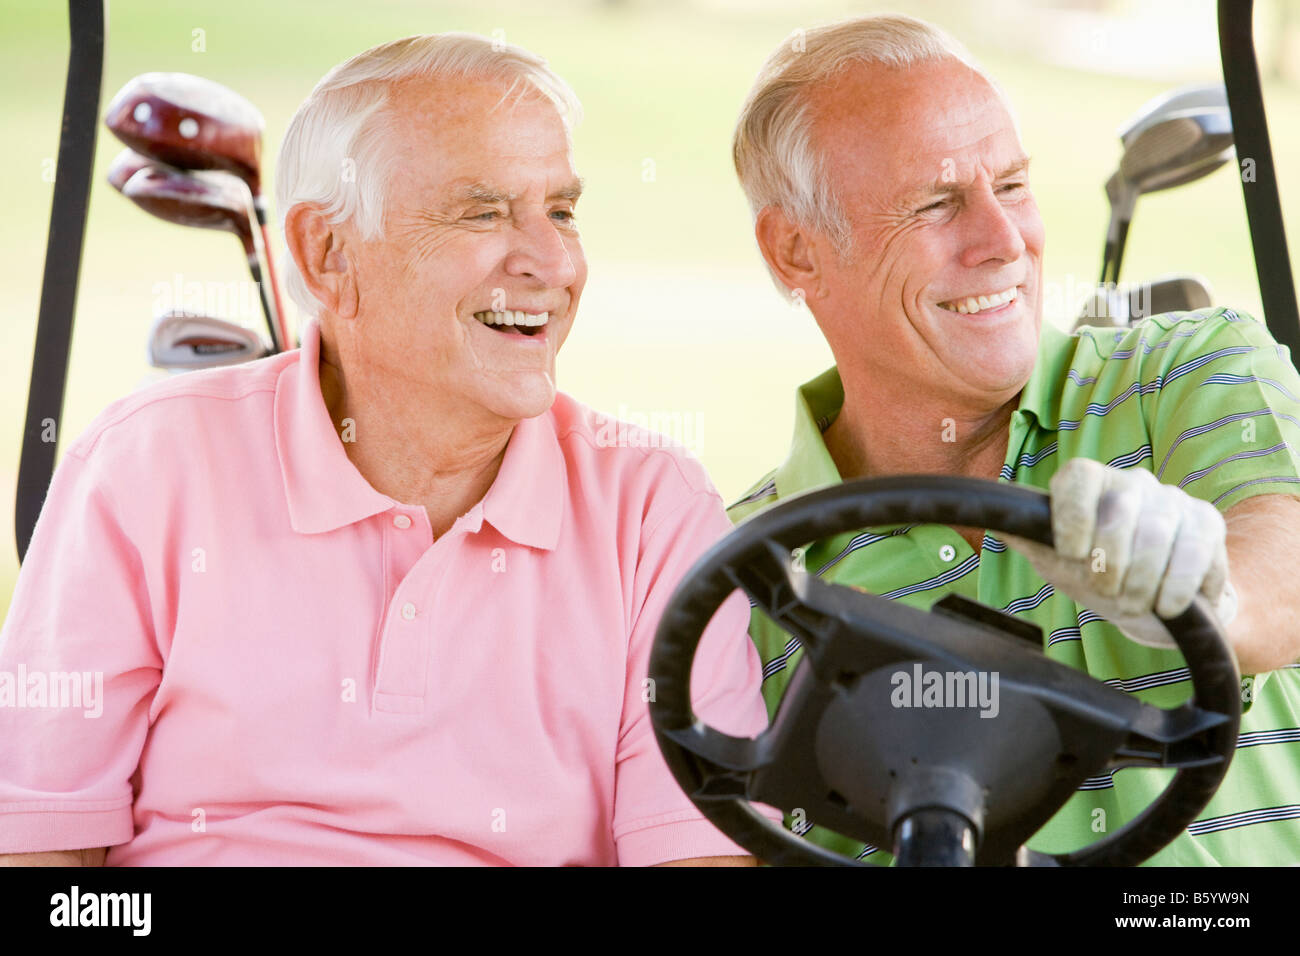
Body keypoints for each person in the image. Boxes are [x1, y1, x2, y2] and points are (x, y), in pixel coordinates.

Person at [0, 32, 773, 866]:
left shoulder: (654, 510)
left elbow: (698, 856)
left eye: (561, 210)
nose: (554, 262)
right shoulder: (140, 468)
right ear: (327, 255)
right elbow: (46, 848)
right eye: (482, 212)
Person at [727, 14, 1300, 865]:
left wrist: (1203, 597)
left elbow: (1281, 582)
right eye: (936, 203)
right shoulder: (746, 579)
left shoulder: (1190, 366)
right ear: (797, 250)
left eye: (1015, 186)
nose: (1005, 244)